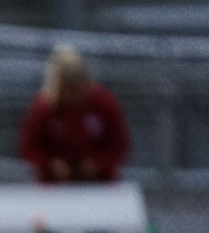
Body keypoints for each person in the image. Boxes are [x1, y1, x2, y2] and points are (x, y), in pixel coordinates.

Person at [17, 44, 131, 184]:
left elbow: (120, 145)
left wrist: (98, 163)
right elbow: (28, 147)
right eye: (68, 90)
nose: (74, 96)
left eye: (77, 89)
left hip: (100, 184)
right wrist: (50, 163)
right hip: (54, 186)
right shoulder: (43, 107)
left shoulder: (104, 103)